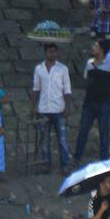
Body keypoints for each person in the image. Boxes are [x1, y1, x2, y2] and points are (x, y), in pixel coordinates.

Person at [73, 39, 110, 164]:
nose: (93, 47)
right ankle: (76, 158)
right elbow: (87, 78)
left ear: (102, 49)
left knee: (104, 132)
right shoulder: (90, 63)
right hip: (89, 102)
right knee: (83, 130)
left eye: (96, 46)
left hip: (104, 103)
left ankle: (104, 160)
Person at [30, 42, 73, 172]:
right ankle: (45, 164)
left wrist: (67, 107)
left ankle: (65, 165)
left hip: (59, 109)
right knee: (44, 140)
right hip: (43, 109)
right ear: (45, 53)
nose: (53, 54)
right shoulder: (39, 69)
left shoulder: (63, 69)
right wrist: (33, 106)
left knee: (62, 139)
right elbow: (36, 88)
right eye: (50, 51)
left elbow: (67, 90)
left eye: (55, 51)